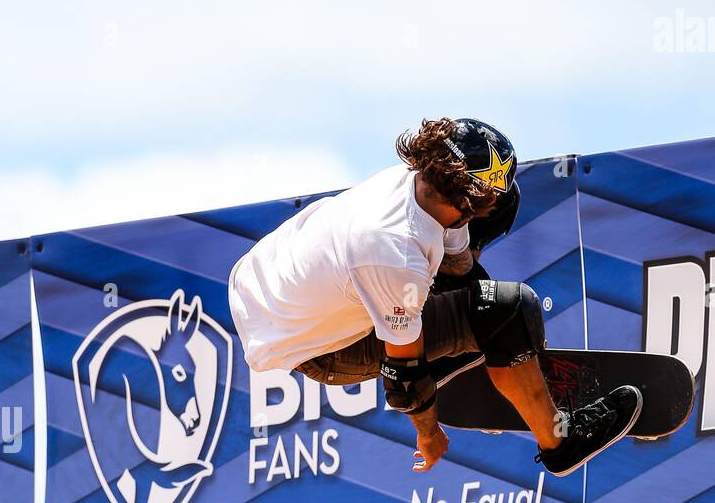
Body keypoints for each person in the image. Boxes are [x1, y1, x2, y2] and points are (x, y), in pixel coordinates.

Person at [228, 117, 641, 475]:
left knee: (495, 306)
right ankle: (560, 443)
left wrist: (506, 341)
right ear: (471, 201)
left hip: (266, 285)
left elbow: (462, 269)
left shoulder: (418, 185)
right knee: (510, 307)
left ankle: (492, 366)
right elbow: (402, 376)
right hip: (318, 348)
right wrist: (429, 432)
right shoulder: (395, 254)